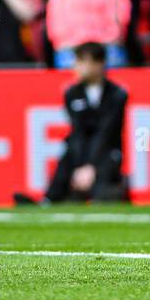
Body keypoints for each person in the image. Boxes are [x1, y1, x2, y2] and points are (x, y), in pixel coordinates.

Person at [42, 42, 129, 203]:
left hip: (107, 152)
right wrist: (80, 165)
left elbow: (105, 133)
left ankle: (108, 193)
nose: (75, 66)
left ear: (99, 64)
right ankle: (48, 199)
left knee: (106, 178)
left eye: (82, 61)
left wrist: (90, 166)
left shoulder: (117, 95)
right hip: (80, 153)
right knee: (67, 153)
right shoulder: (72, 93)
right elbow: (78, 132)